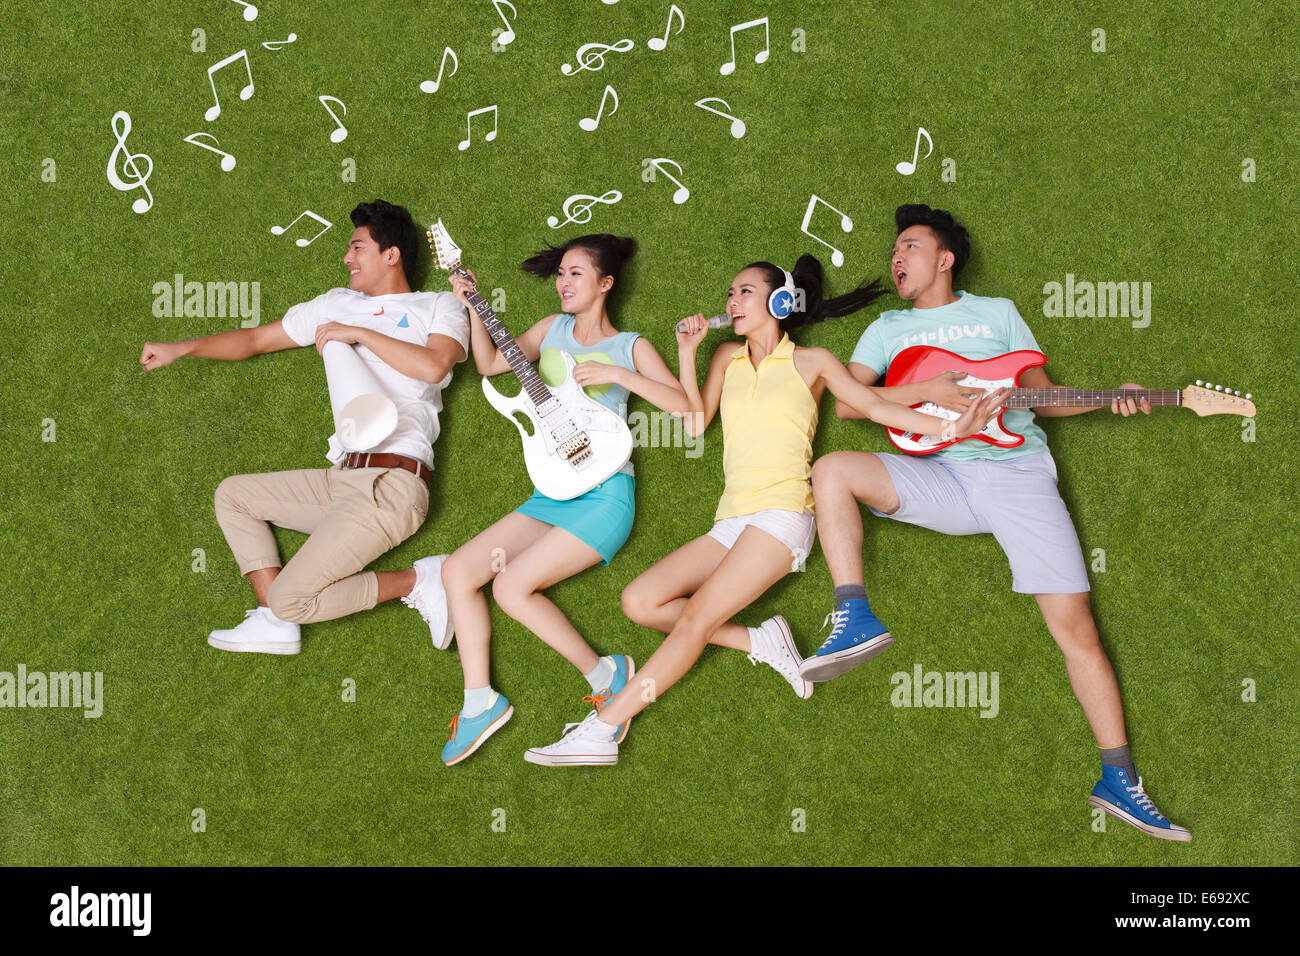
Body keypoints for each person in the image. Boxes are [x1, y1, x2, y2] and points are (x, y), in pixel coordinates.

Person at [801, 203, 1190, 842]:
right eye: (894, 250)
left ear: (945, 259)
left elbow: (1045, 396)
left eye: (911, 246)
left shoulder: (996, 313)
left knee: (1076, 628)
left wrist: (1110, 395)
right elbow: (849, 405)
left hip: (1016, 477)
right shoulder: (888, 328)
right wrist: (938, 397)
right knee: (834, 469)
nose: (897, 258)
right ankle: (855, 613)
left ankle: (1117, 778)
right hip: (936, 473)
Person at [523, 254, 1006, 766]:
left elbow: (876, 408)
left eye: (744, 292)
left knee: (694, 623)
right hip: (731, 518)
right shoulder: (725, 358)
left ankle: (603, 728)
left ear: (780, 302)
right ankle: (762, 639)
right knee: (641, 602)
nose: (731, 302)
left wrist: (954, 430)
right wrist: (687, 352)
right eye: (730, 294)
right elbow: (692, 422)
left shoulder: (813, 362)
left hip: (783, 516)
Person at [139, 199, 469, 655]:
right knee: (234, 496)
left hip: (392, 485)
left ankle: (420, 579)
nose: (346, 258)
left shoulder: (437, 307)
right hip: (343, 479)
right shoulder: (337, 304)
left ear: (390, 255)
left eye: (357, 248)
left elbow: (433, 367)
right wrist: (183, 348)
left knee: (292, 597)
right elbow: (256, 339)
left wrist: (357, 334)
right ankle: (275, 621)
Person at [434, 234, 691, 766]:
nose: (564, 282)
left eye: (576, 273)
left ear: (605, 283)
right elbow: (489, 366)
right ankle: (479, 700)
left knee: (510, 587)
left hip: (604, 494)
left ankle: (605, 674)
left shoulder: (630, 345)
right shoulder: (552, 330)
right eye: (561, 274)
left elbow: (686, 408)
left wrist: (619, 375)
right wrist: (473, 307)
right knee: (458, 571)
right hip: (551, 490)